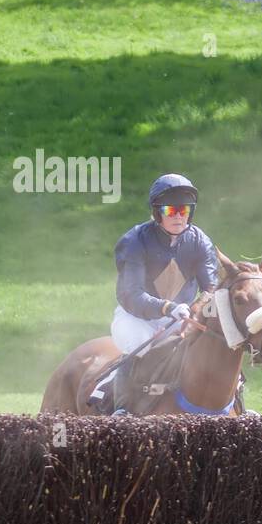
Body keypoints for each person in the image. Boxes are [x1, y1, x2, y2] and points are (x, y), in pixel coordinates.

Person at [91, 173, 219, 413]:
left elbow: (211, 288)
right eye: (171, 210)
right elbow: (131, 294)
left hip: (180, 318)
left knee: (210, 345)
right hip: (135, 316)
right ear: (157, 212)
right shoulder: (135, 241)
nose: (179, 216)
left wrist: (197, 308)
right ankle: (123, 408)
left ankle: (237, 403)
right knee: (142, 346)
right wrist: (168, 307)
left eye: (185, 210)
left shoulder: (200, 241)